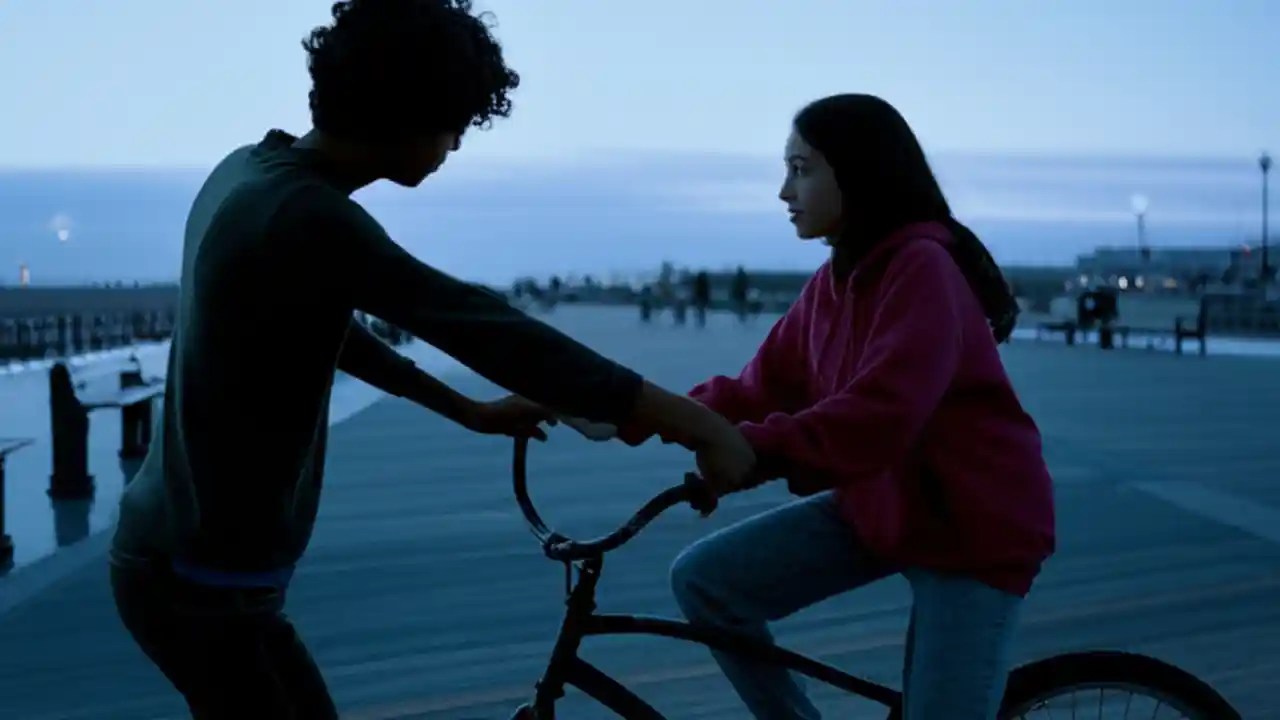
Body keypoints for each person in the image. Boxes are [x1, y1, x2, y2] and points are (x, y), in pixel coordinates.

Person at [106, 2, 755, 717]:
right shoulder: (306, 215)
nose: (454, 146)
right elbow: (486, 329)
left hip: (196, 561)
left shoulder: (252, 172)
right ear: (404, 112)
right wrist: (695, 424)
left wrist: (467, 409)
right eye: (455, 124)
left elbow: (329, 326)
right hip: (198, 579)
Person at [626, 94, 1056, 719]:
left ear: (856, 172)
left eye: (800, 169)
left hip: (973, 526)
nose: (783, 190)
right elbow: (755, 389)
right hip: (885, 504)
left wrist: (755, 452)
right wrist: (637, 414)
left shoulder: (922, 268)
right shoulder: (832, 282)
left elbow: (880, 415)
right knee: (706, 581)